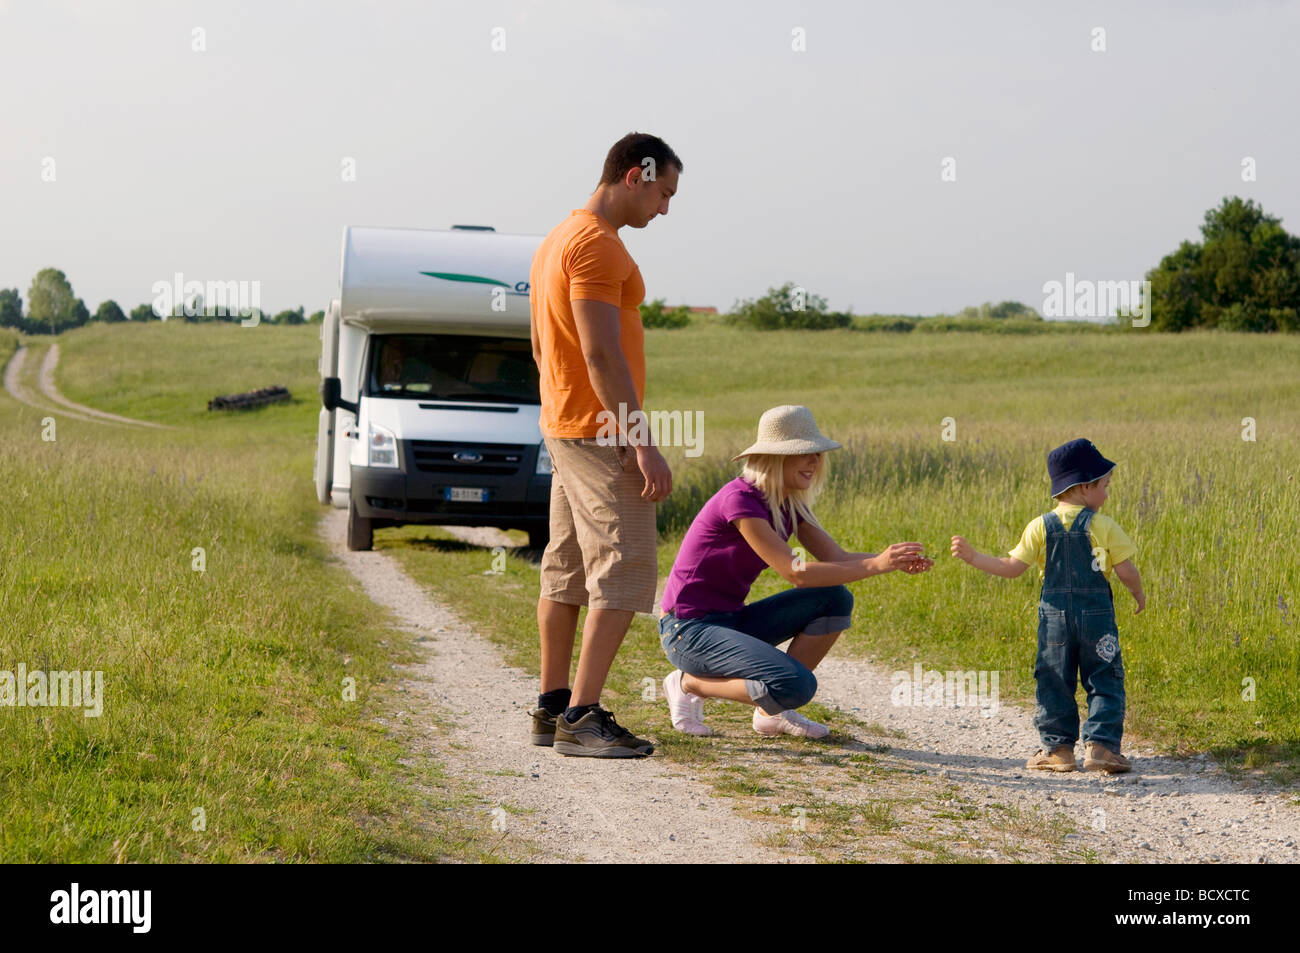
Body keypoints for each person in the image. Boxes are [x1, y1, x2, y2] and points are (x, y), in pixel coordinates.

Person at [526, 132, 682, 758]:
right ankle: (582, 719)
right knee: (624, 569)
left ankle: (551, 707)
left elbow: (542, 349)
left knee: (564, 570)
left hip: (565, 424)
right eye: (663, 192)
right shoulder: (595, 246)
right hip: (600, 430)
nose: (664, 209)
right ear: (634, 174)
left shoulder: (556, 239)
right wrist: (639, 439)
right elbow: (599, 351)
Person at [658, 405, 933, 739]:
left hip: (730, 622)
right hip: (689, 630)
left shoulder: (789, 504)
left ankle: (769, 713)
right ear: (776, 457)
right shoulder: (740, 500)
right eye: (803, 453)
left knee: (833, 598)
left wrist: (889, 561)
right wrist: (876, 564)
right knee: (796, 684)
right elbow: (796, 573)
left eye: (816, 454)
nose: (813, 462)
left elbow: (837, 558)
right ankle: (688, 683)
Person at [950, 438, 1146, 773]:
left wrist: (973, 557)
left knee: (1054, 679)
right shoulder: (1104, 526)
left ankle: (1059, 751)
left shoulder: (1040, 526)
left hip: (1054, 620)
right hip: (1096, 619)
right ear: (1084, 487)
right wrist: (1138, 594)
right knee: (1105, 677)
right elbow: (1126, 569)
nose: (1107, 494)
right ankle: (1101, 747)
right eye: (1104, 486)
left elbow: (1011, 568)